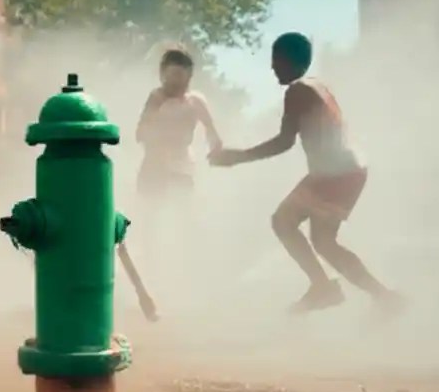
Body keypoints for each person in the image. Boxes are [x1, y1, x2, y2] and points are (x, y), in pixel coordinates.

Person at [209, 32, 403, 315]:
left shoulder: (298, 90)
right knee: (321, 240)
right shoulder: (316, 86)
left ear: (288, 60)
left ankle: (328, 288)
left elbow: (285, 142)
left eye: (276, 60)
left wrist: (237, 157)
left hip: (336, 173)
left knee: (285, 222)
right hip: (345, 170)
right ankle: (381, 297)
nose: (272, 67)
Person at [134, 46, 222, 283]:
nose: (177, 84)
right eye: (172, 77)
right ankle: (150, 272)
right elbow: (139, 132)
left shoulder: (195, 101)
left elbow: (212, 131)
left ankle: (192, 273)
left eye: (182, 78)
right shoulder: (156, 98)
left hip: (182, 167)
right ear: (163, 75)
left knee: (187, 220)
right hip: (154, 166)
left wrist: (216, 149)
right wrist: (157, 140)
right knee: (150, 220)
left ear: (190, 77)